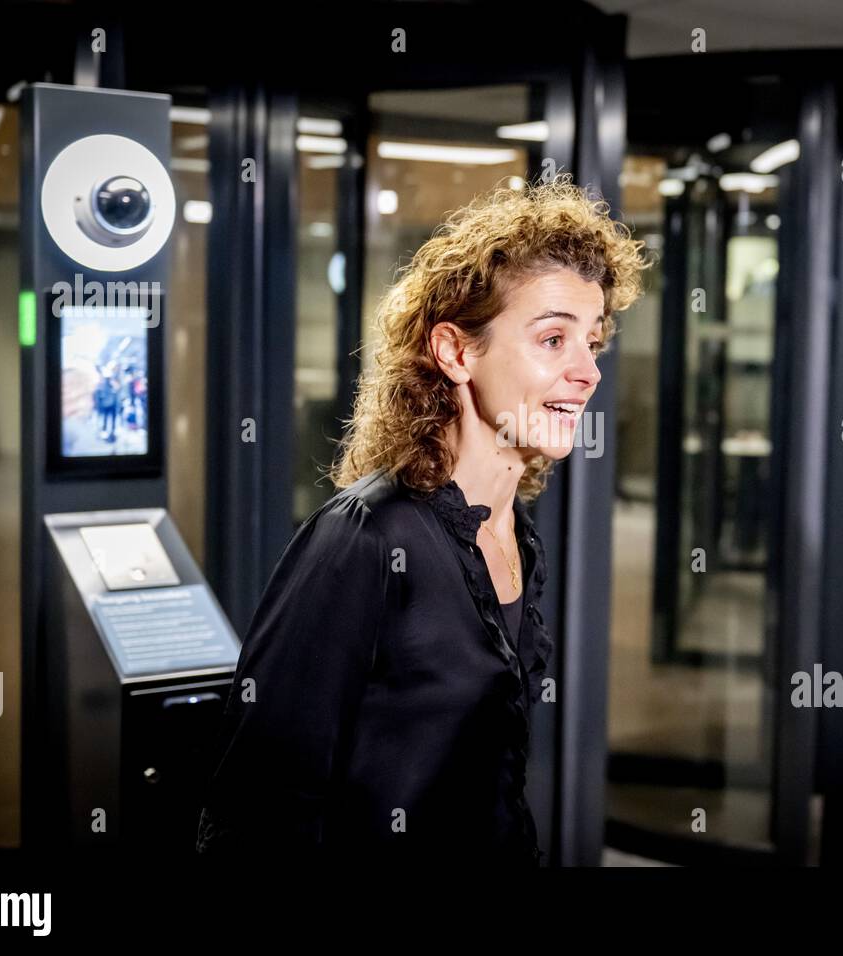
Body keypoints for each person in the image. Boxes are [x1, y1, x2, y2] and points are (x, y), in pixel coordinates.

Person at [194, 174, 648, 865]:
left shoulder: (513, 531)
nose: (588, 371)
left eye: (593, 342)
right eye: (554, 340)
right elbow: (255, 813)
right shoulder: (365, 537)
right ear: (456, 352)